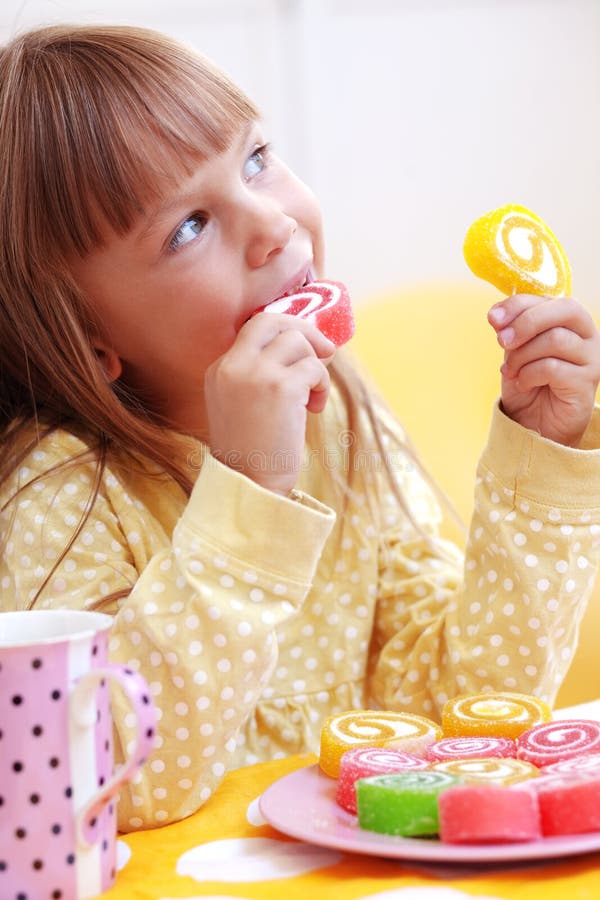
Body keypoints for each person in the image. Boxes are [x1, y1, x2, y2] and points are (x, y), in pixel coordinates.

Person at [1, 23, 599, 832]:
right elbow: (111, 784)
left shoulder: (339, 411)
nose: (273, 227)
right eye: (189, 227)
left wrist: (543, 450)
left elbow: (464, 708)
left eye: (255, 159)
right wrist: (248, 493)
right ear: (90, 340)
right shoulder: (61, 489)